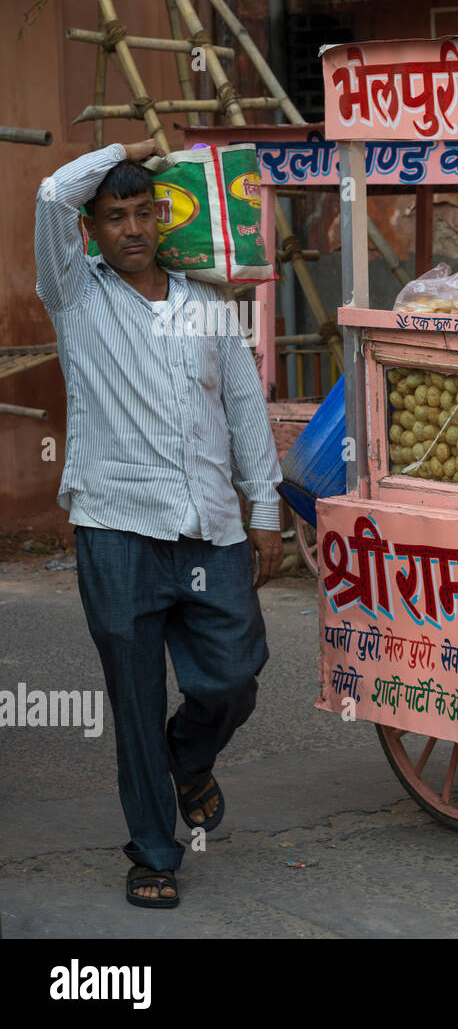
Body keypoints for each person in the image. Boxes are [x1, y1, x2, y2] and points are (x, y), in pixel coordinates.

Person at [35, 140, 284, 909]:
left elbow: (243, 410)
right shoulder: (76, 295)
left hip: (209, 527)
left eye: (146, 211)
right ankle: (151, 853)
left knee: (234, 677)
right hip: (116, 530)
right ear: (94, 229)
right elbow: (50, 194)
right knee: (136, 700)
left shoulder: (206, 306)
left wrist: (265, 508)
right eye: (116, 216)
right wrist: (129, 151)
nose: (135, 228)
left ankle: (190, 755)